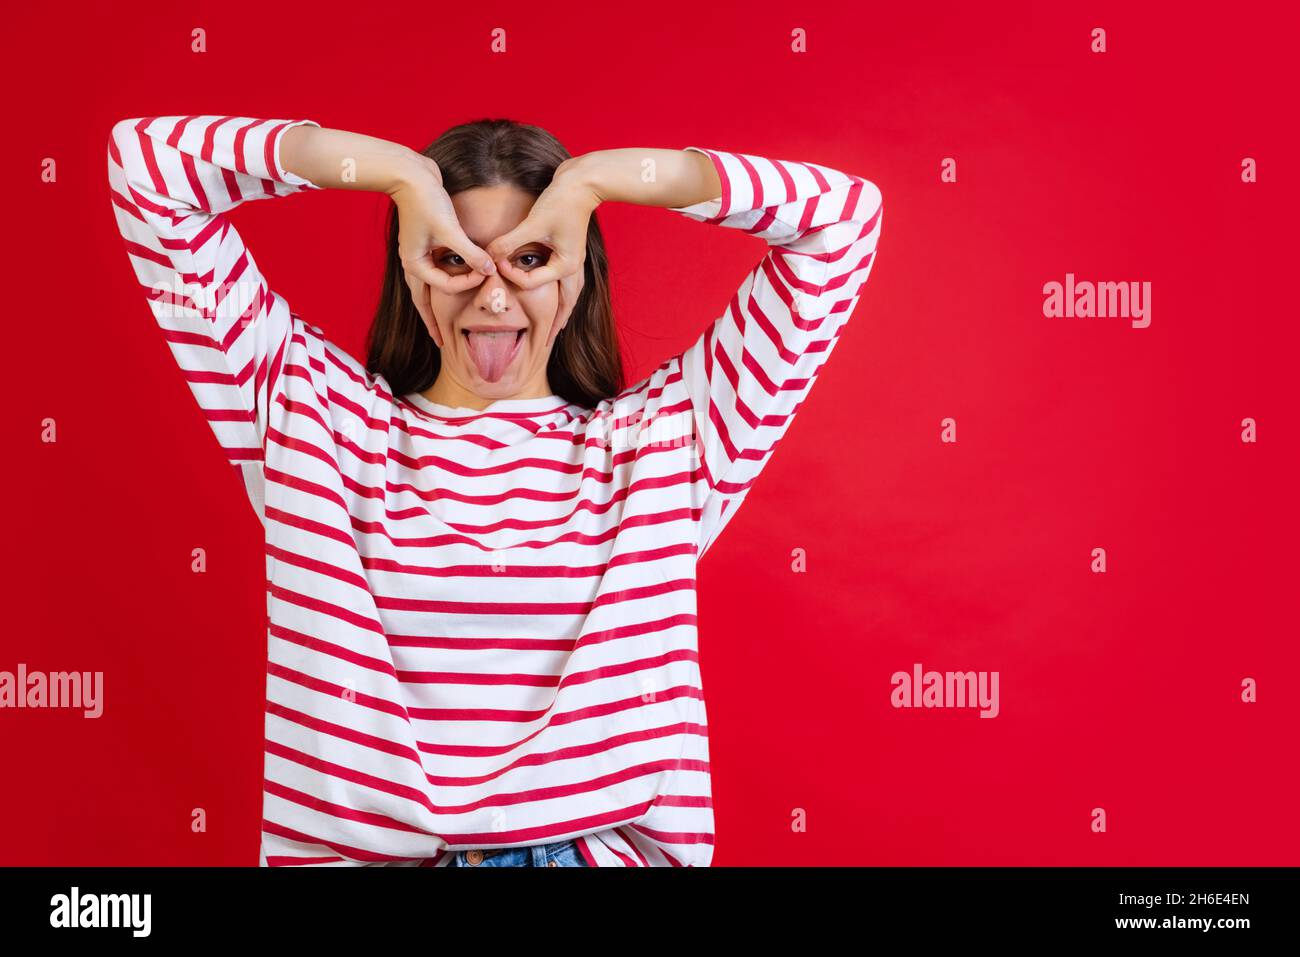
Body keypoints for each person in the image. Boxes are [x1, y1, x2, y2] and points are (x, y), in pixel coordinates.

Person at [107, 113, 883, 867]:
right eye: (456, 259)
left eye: (531, 256)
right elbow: (146, 170)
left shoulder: (662, 443)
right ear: (413, 262)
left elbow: (842, 223)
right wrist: (396, 175)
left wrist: (595, 181)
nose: (493, 293)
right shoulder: (312, 415)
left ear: (577, 269)